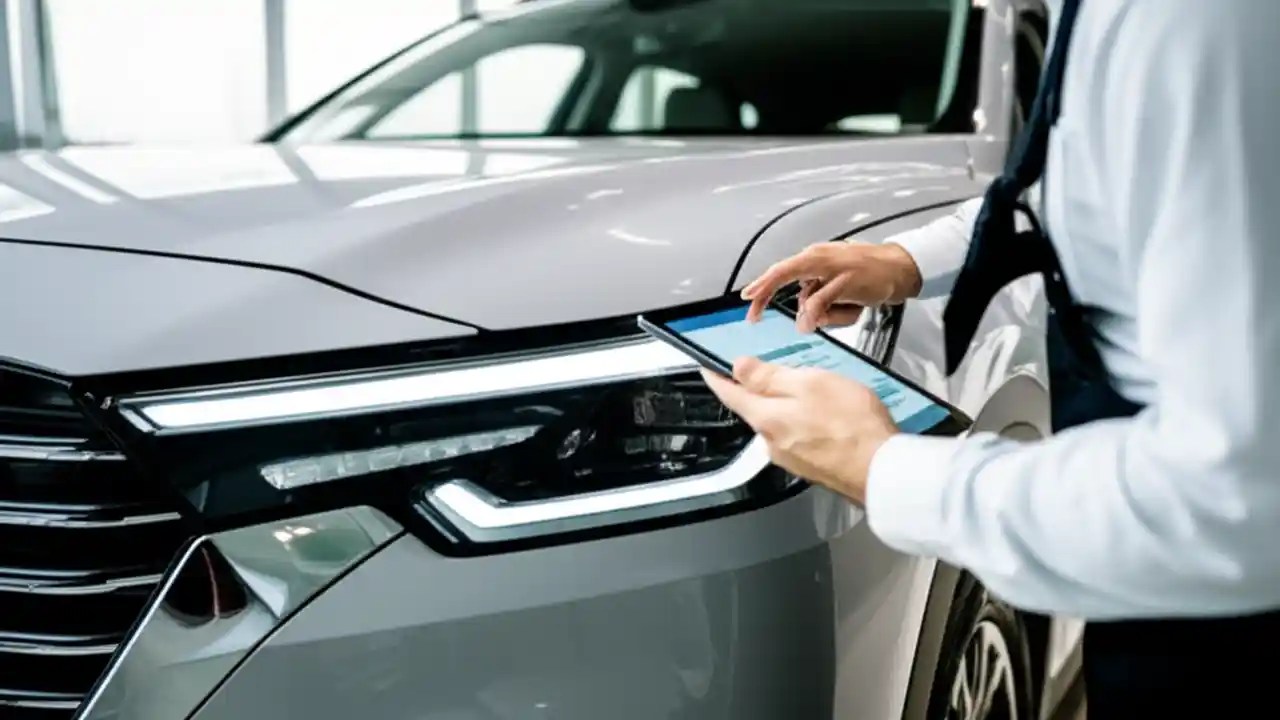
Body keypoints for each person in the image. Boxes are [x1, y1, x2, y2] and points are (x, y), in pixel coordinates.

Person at [701, 0, 1280, 715]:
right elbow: (1084, 190)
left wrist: (884, 468)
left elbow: (1237, 498)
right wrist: (905, 258)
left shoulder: (1193, 21)